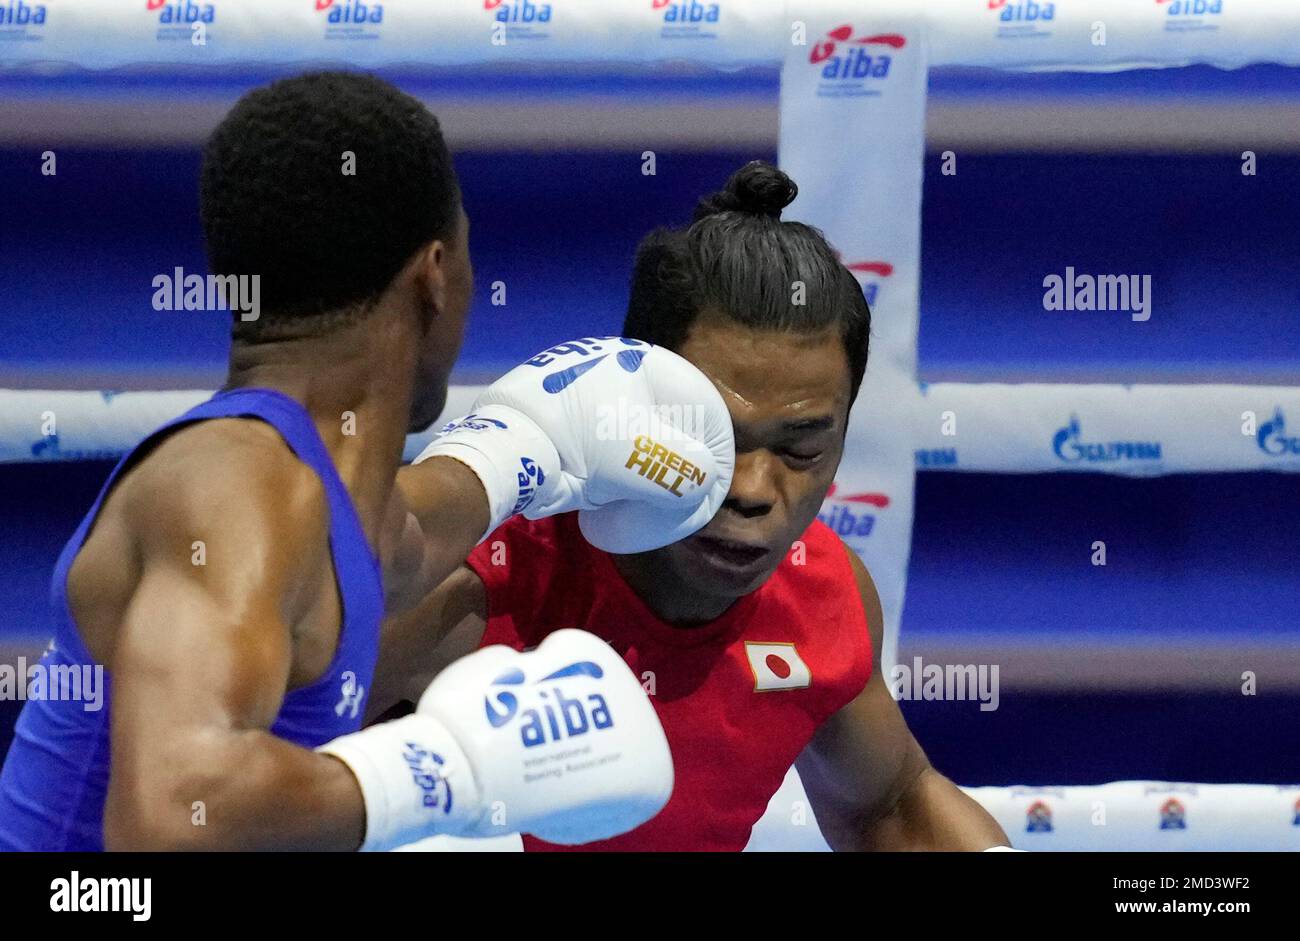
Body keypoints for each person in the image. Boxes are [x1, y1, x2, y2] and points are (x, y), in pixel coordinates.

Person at [0, 72, 734, 851]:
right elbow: (175, 814)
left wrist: (540, 443)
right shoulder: (236, 488)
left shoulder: (323, 491)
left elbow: (406, 541)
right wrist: (448, 771)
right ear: (436, 275)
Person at [374, 161, 1014, 851]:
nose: (753, 489)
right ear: (635, 404)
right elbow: (259, 743)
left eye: (800, 450)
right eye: (718, 436)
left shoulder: (823, 592)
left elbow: (889, 805)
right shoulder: (476, 580)